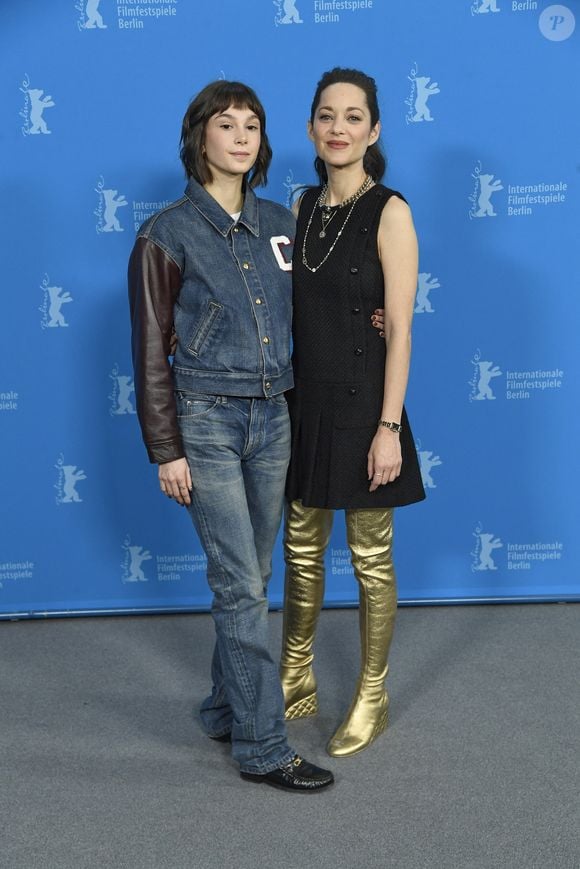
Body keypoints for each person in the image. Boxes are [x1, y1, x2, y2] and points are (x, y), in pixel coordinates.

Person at [128, 80, 333, 791]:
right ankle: (262, 744)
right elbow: (151, 347)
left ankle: (224, 704)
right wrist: (167, 448)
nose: (241, 136)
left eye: (252, 125)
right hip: (206, 421)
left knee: (256, 577)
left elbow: (313, 309)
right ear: (200, 137)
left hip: (273, 417)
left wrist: (365, 323)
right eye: (227, 124)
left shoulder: (281, 222)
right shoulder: (167, 232)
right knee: (241, 584)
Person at [280, 68, 426, 758]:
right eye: (327, 115)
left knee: (370, 556)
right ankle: (295, 675)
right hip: (305, 403)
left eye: (353, 116)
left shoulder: (391, 210)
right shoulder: (299, 204)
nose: (339, 127)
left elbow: (398, 327)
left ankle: (373, 691)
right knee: (301, 547)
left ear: (374, 130)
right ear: (311, 128)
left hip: (367, 405)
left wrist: (389, 426)